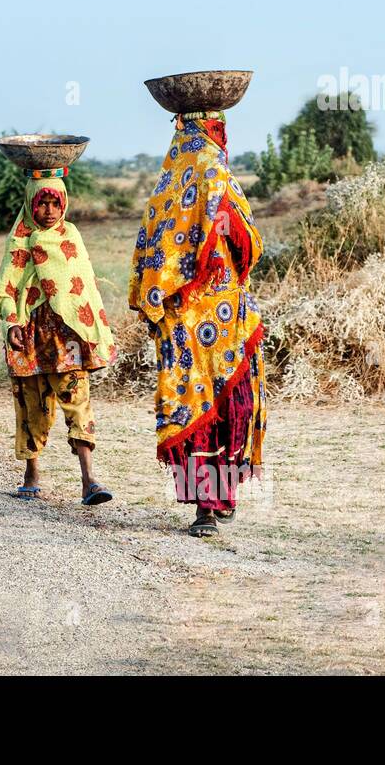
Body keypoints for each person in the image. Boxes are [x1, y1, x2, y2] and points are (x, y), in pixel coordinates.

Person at [129, 111, 266, 536]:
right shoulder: (177, 186)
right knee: (196, 413)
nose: (219, 141)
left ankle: (224, 496)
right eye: (215, 131)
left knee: (233, 408)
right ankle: (205, 508)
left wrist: (227, 223)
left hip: (229, 317)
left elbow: (249, 247)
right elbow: (158, 255)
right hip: (187, 323)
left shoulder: (217, 178)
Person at [0, 172, 118, 505]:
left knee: (78, 403)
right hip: (29, 335)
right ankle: (31, 473)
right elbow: (6, 289)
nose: (49, 210)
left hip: (67, 336)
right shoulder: (20, 239)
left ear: (64, 204)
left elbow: (84, 286)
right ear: (31, 204)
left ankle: (89, 480)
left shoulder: (71, 235)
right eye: (42, 203)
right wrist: (12, 324)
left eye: (55, 203)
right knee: (32, 407)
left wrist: (94, 333)